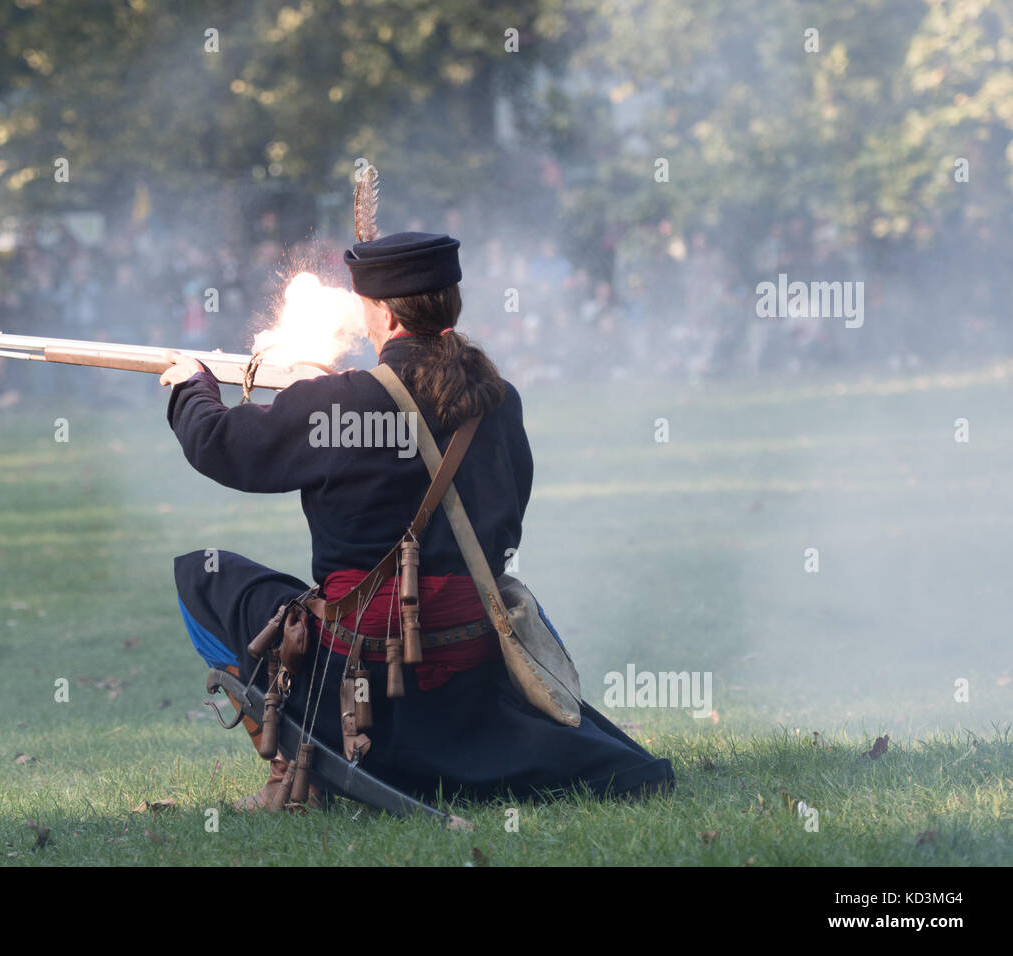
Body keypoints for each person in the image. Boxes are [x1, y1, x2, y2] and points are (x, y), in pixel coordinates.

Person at [160, 231, 674, 810]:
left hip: (362, 678)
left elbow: (221, 445)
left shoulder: (338, 402)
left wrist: (191, 387)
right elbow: (505, 526)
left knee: (198, 578)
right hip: (473, 669)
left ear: (382, 311)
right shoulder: (499, 398)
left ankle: (292, 771)